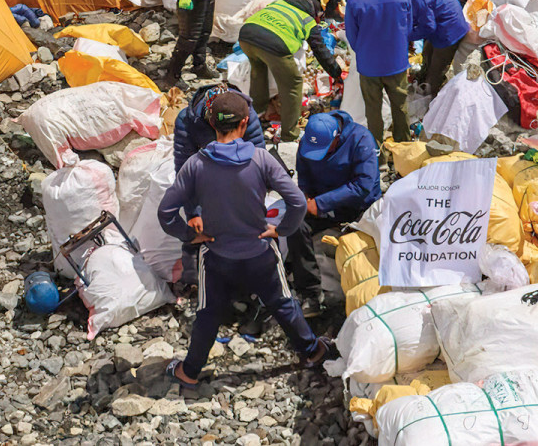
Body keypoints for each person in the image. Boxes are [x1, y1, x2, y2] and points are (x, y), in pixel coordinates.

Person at [158, 90, 330, 385]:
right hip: (259, 252)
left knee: (208, 313)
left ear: (212, 124)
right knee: (282, 302)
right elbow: (298, 202)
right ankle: (312, 352)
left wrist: (190, 235)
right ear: (245, 123)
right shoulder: (261, 159)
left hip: (216, 255)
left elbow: (166, 212)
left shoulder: (196, 165)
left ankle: (189, 372)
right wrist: (282, 230)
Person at [172, 82, 269, 286]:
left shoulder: (244, 111)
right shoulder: (187, 121)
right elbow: (184, 172)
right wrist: (194, 213)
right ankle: (193, 281)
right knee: (199, 229)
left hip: (241, 169)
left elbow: (258, 158)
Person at [286, 111, 380, 316]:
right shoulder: (307, 144)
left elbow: (363, 185)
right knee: (295, 225)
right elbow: (304, 179)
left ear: (336, 138)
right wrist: (306, 197)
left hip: (359, 208)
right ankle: (310, 293)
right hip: (324, 205)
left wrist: (320, 203)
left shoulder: (361, 139)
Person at [237, 0, 342, 141]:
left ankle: (256, 115)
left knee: (258, 74)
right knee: (293, 84)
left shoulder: (279, 5)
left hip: (246, 36)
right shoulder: (307, 19)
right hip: (274, 44)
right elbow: (320, 50)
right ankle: (290, 133)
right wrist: (336, 72)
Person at [344, 0, 413, 145]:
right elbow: (407, 28)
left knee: (373, 112)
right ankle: (404, 148)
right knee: (400, 107)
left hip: (369, 66)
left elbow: (352, 36)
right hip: (397, 62)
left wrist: (366, 51)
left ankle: (377, 155)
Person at [389, 0, 471, 95]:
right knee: (427, 54)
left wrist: (407, 36)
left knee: (436, 69)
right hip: (442, 22)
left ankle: (429, 102)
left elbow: (428, 26)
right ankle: (422, 81)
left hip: (449, 28)